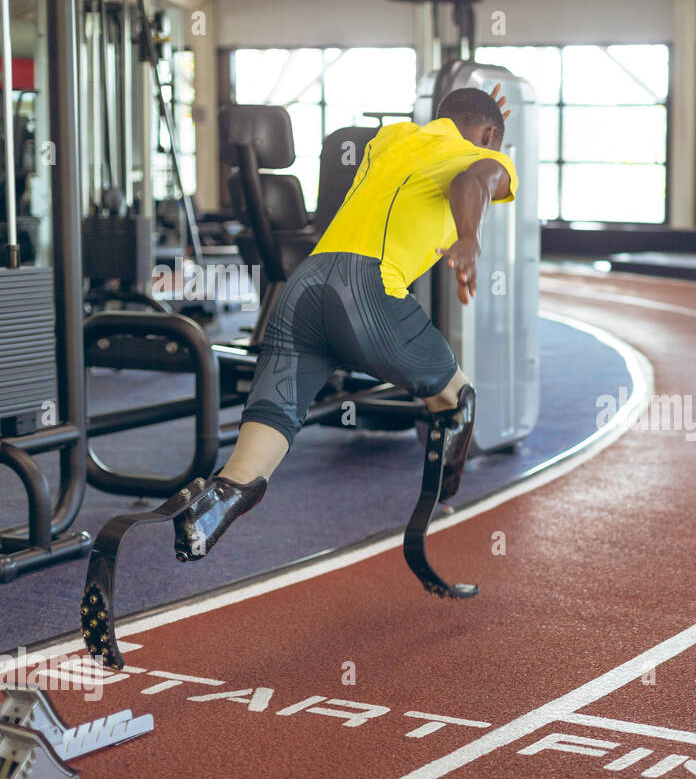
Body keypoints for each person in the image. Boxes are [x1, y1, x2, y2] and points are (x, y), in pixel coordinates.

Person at [174, 86, 518, 561]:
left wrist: (481, 119)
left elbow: (448, 139)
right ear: (491, 134)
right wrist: (468, 239)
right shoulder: (486, 157)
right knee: (458, 401)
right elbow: (473, 181)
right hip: (367, 291)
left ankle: (210, 511)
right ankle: (442, 499)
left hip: (303, 289)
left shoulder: (392, 137)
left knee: (257, 453)